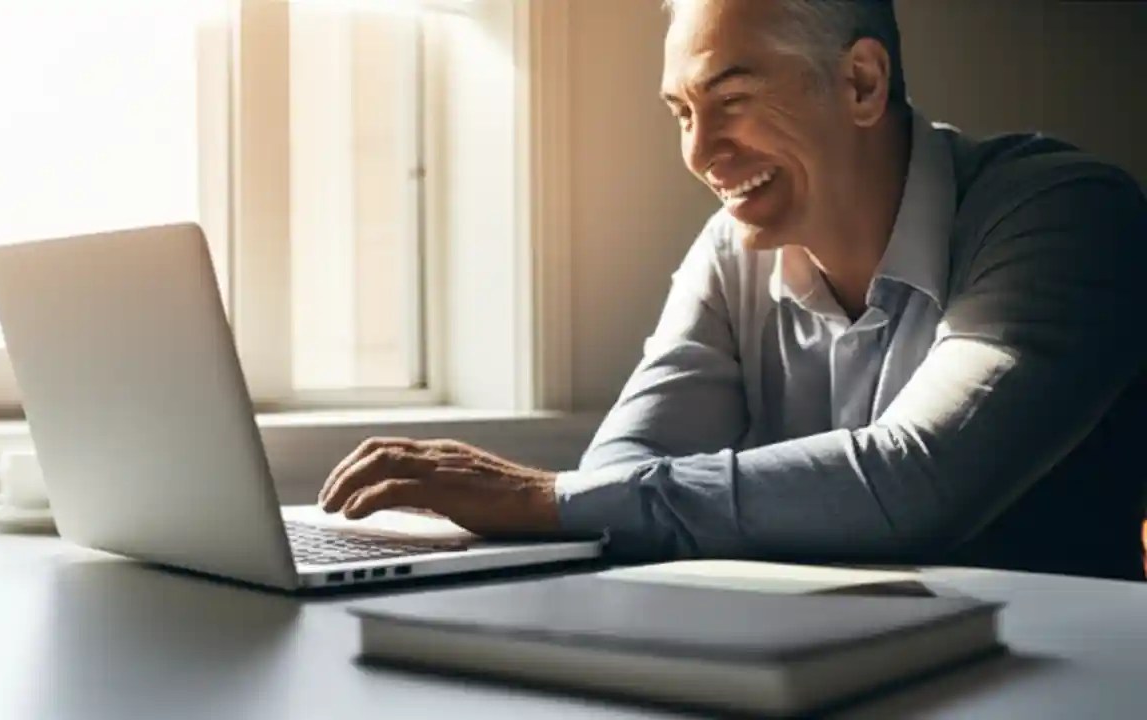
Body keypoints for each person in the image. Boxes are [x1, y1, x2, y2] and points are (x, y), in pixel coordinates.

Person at [318, 0, 1147, 579]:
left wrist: (541, 497)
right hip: (813, 670)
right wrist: (564, 502)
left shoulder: (1067, 215)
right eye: (682, 111)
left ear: (861, 82)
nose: (700, 151)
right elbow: (625, 472)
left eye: (732, 100)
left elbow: (917, 480)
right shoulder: (732, 249)